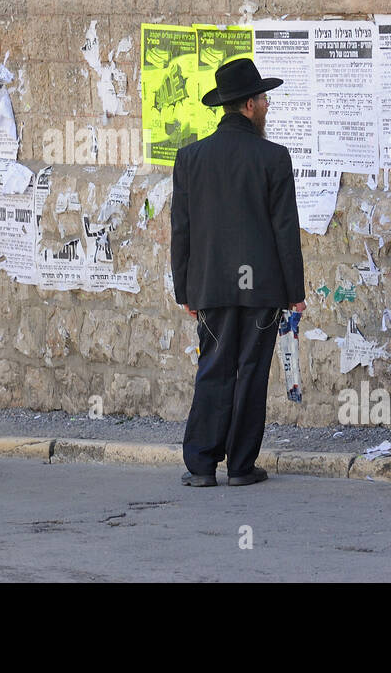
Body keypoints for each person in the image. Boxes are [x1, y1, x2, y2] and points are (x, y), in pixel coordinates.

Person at [171, 58, 306, 487]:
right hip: (261, 288)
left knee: (212, 367)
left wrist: (184, 290)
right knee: (250, 370)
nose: (267, 105)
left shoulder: (190, 158)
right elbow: (284, 229)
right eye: (264, 99)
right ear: (249, 105)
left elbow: (182, 229)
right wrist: (294, 292)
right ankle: (242, 466)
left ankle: (202, 466)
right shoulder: (273, 157)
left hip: (209, 285)